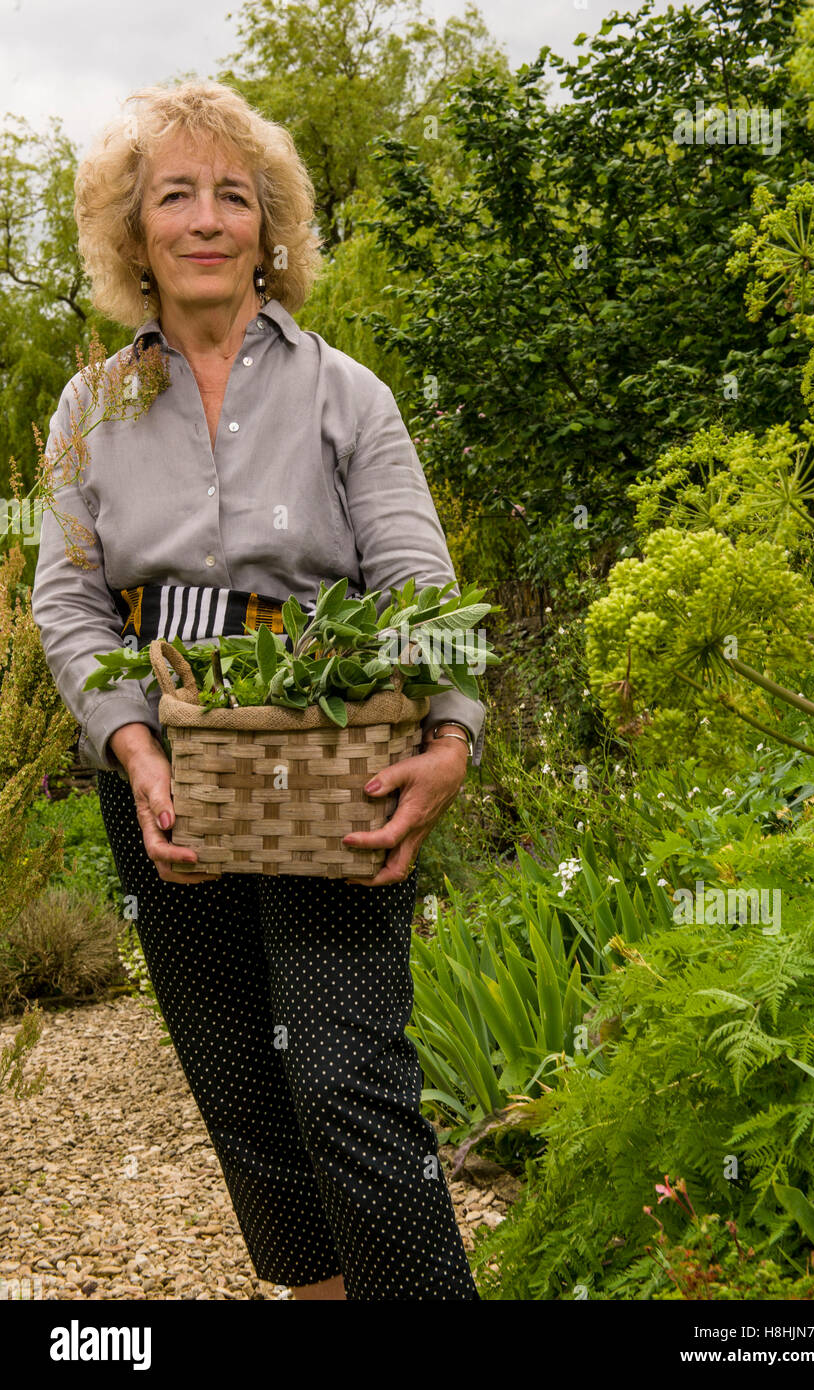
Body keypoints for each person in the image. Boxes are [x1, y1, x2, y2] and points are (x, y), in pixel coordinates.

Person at [31, 79, 485, 1301]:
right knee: (243, 1084)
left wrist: (447, 739)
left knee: (345, 1076)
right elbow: (68, 601)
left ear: (271, 227)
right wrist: (132, 746)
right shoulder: (94, 408)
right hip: (168, 775)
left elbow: (418, 584)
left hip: (332, 765)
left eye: (234, 195)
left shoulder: (346, 395)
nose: (205, 219)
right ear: (134, 232)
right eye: (173, 195)